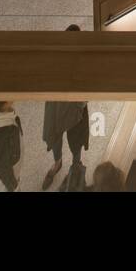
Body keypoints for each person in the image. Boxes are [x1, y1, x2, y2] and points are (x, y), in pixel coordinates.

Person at [41, 24, 91, 190]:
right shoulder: (56, 55)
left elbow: (87, 86)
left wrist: (80, 104)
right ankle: (58, 163)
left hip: (74, 107)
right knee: (55, 135)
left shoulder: (83, 60)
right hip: (57, 103)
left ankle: (76, 165)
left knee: (75, 139)